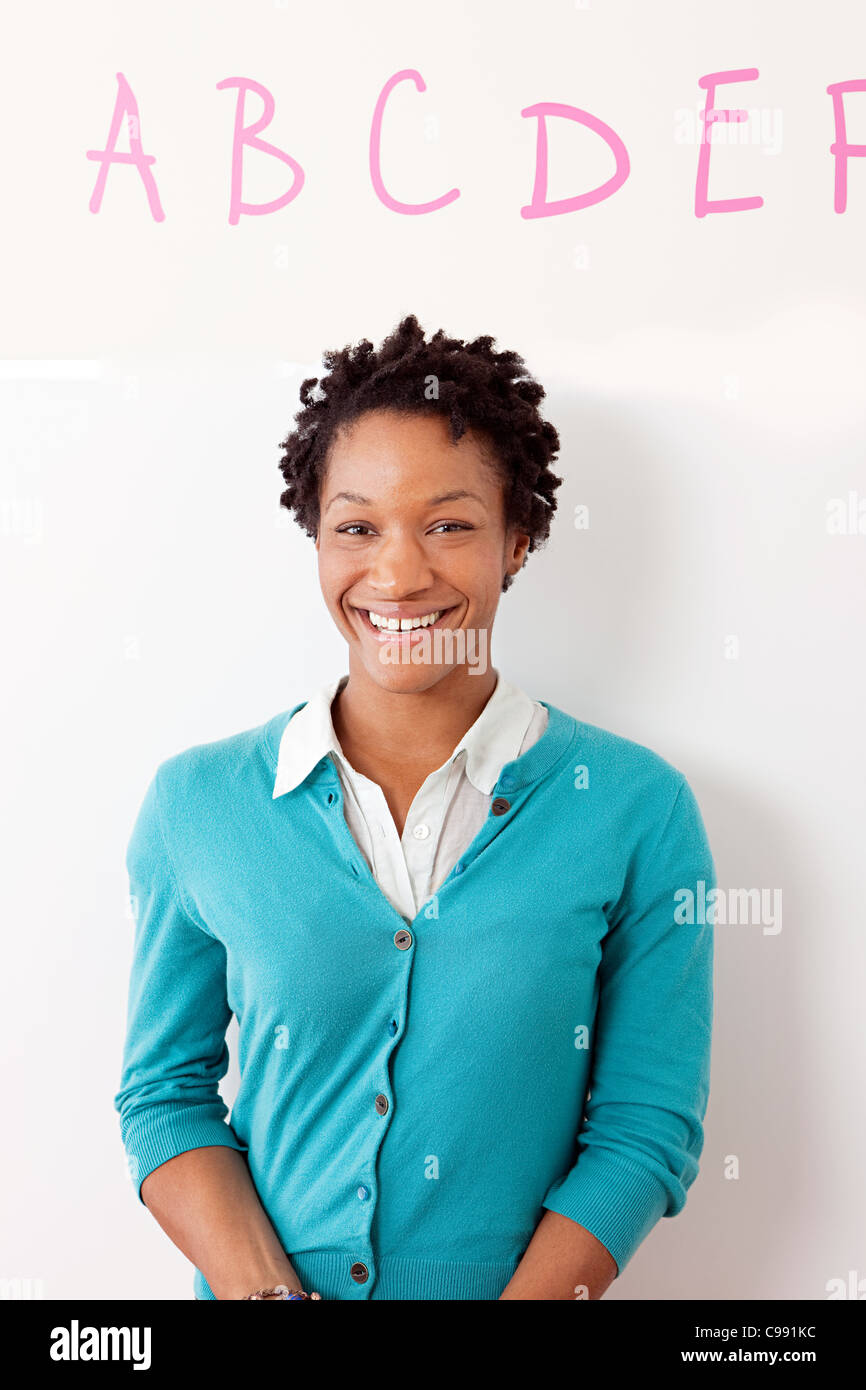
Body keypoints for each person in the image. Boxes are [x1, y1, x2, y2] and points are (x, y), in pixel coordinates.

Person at [115, 314, 715, 1301]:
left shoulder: (634, 808)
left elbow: (645, 1126)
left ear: (517, 539)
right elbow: (163, 1093)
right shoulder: (199, 803)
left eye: (448, 523)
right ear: (314, 537)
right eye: (356, 526)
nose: (396, 575)